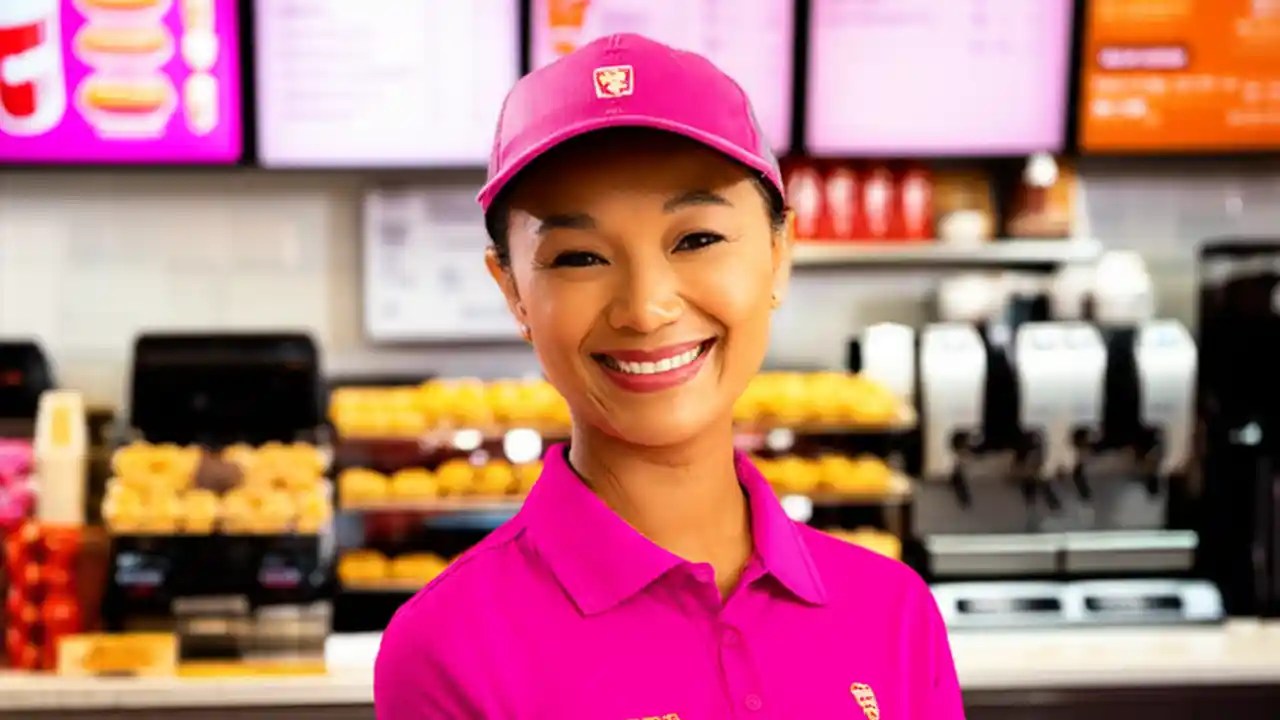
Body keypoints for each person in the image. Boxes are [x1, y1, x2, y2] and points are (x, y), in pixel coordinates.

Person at [375, 33, 965, 719]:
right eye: (577, 257)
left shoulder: (891, 613)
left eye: (698, 240)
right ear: (512, 291)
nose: (646, 308)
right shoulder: (450, 649)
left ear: (778, 255)